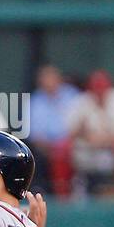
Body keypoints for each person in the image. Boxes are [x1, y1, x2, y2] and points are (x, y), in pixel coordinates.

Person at [62, 70, 114, 197]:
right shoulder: (81, 102)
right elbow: (69, 131)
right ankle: (64, 197)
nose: (99, 91)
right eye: (96, 87)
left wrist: (102, 140)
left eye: (102, 87)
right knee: (62, 148)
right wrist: (84, 134)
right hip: (86, 150)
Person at [26, 63, 81, 196]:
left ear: (59, 79)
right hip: (44, 148)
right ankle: (49, 193)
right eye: (45, 79)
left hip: (72, 144)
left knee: (65, 150)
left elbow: (79, 126)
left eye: (51, 78)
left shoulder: (72, 95)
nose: (49, 82)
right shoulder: (35, 100)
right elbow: (33, 133)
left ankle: (74, 191)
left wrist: (65, 143)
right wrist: (50, 147)